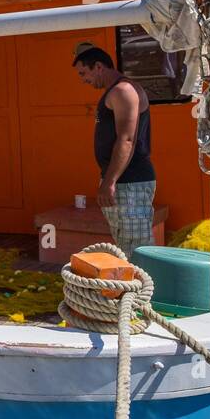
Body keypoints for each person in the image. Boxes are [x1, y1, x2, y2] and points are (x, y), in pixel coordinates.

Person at [72, 42, 156, 259]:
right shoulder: (114, 92)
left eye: (84, 73)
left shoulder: (123, 90)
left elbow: (126, 140)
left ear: (98, 66)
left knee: (136, 249)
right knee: (124, 243)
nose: (83, 79)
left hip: (129, 182)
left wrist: (109, 182)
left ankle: (142, 293)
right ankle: (130, 291)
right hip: (120, 181)